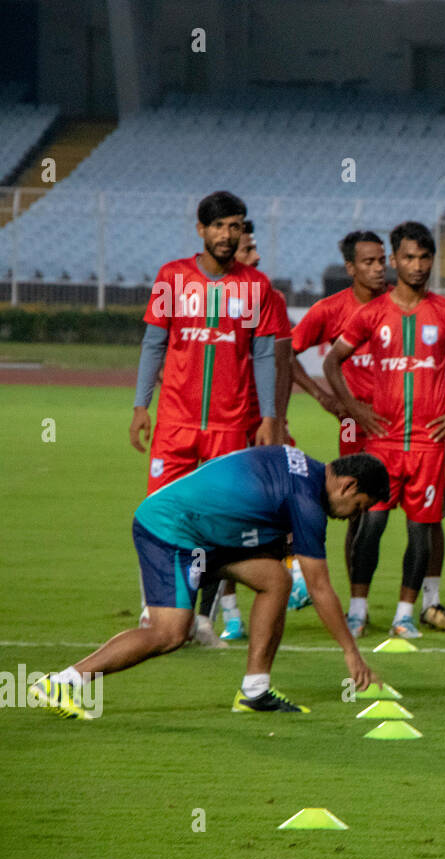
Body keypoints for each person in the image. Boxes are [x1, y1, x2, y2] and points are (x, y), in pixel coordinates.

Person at [28, 448, 387, 718]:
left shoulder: (304, 468)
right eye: (358, 506)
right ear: (348, 484)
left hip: (206, 535)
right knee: (170, 633)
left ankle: (255, 691)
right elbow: (320, 587)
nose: (353, 516)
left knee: (275, 579)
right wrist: (351, 653)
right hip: (170, 530)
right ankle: (61, 683)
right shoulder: (308, 503)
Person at [323, 220, 445, 639]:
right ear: (395, 259)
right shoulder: (372, 313)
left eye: (424, 257)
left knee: (421, 529)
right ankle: (358, 610)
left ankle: (404, 614)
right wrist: (354, 411)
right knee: (373, 526)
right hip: (381, 443)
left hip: (427, 444)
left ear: (432, 260)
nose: (417, 265)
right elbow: (332, 362)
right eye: (408, 257)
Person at [128, 191, 287, 645]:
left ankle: (201, 621)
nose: (227, 234)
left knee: (220, 525)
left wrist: (270, 416)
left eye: (235, 226)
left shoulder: (256, 285)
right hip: (175, 422)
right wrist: (142, 405)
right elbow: (154, 344)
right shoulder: (171, 277)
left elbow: (262, 355)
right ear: (201, 230)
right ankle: (154, 612)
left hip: (230, 424)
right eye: (218, 226)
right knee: (160, 515)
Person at [202, 217, 300, 641]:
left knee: (274, 513)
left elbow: (282, 362)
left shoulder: (267, 297)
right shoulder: (202, 297)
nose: (256, 256)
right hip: (218, 426)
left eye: (254, 248)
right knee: (214, 518)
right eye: (247, 249)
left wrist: (275, 422)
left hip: (258, 427)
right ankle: (223, 614)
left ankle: (283, 585)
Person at [289, 230, 389, 599]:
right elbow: (287, 351)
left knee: (400, 514)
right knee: (354, 507)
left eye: (382, 260)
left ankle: (421, 602)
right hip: (353, 425)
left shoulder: (398, 305)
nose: (379, 269)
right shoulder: (329, 310)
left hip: (395, 424)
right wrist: (322, 396)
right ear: (350, 267)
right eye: (368, 262)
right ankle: (355, 601)